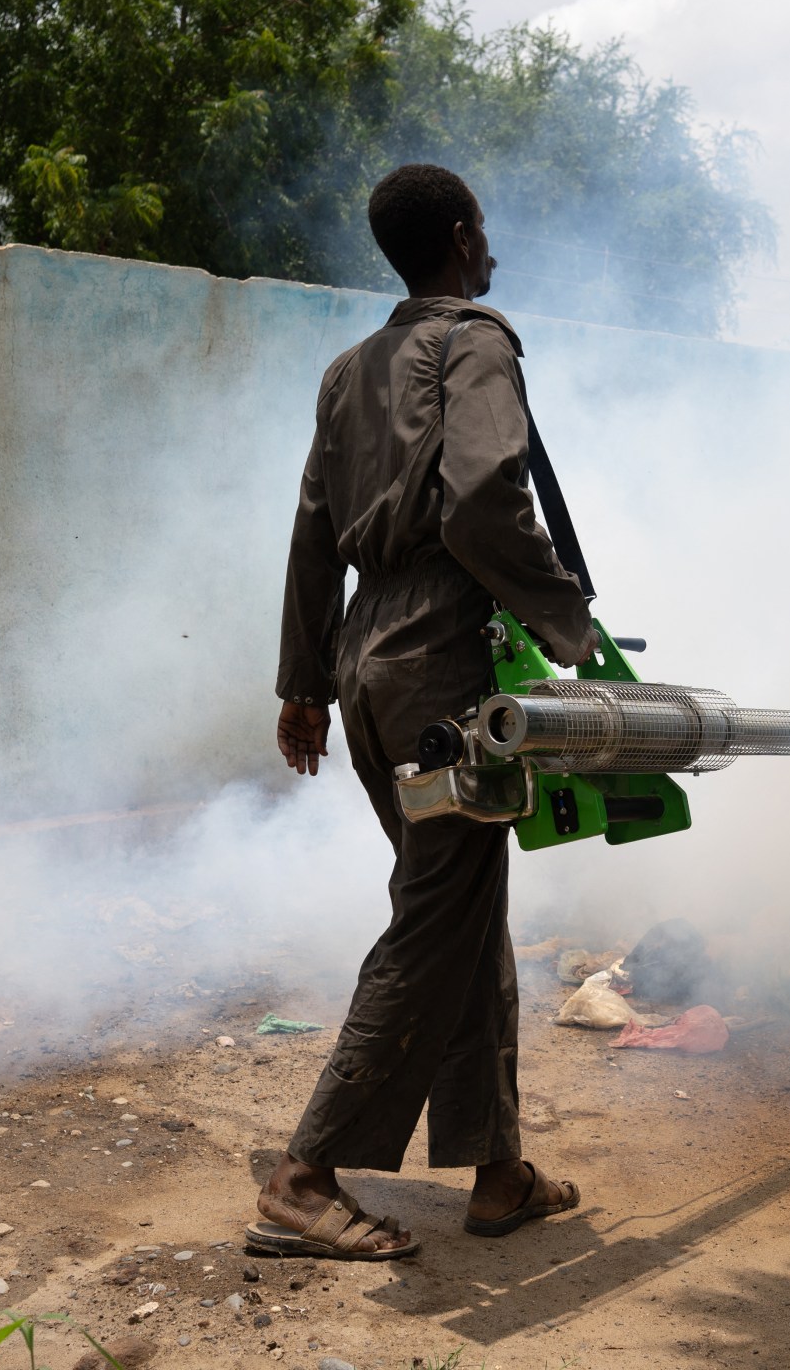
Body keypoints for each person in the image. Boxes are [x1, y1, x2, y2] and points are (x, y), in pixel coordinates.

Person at [247, 164, 593, 1260]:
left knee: (461, 898)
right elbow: (488, 494)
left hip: (367, 664)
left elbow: (312, 533)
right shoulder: (473, 341)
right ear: (457, 235)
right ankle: (305, 1179)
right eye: (482, 227)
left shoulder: (349, 372)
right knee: (439, 913)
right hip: (443, 654)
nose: (490, 245)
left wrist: (304, 682)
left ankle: (495, 1170)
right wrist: (570, 624)